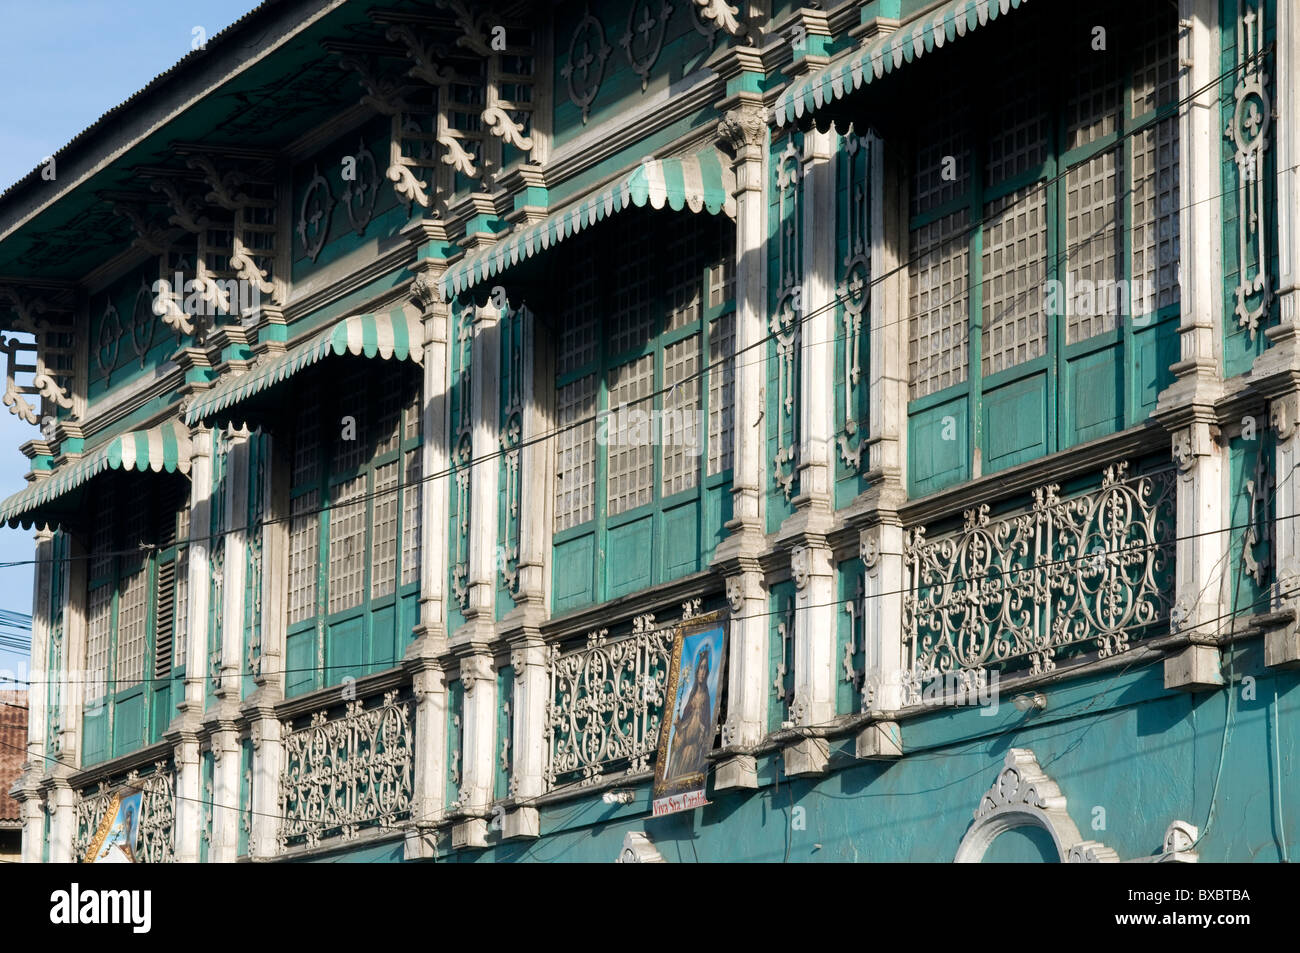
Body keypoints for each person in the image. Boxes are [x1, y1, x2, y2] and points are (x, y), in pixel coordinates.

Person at [666, 644, 716, 781]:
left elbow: (705, 731)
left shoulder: (706, 698)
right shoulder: (690, 698)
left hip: (694, 755)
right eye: (701, 668)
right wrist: (678, 726)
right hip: (683, 755)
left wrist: (702, 731)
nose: (703, 672)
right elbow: (681, 735)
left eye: (705, 668)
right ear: (696, 670)